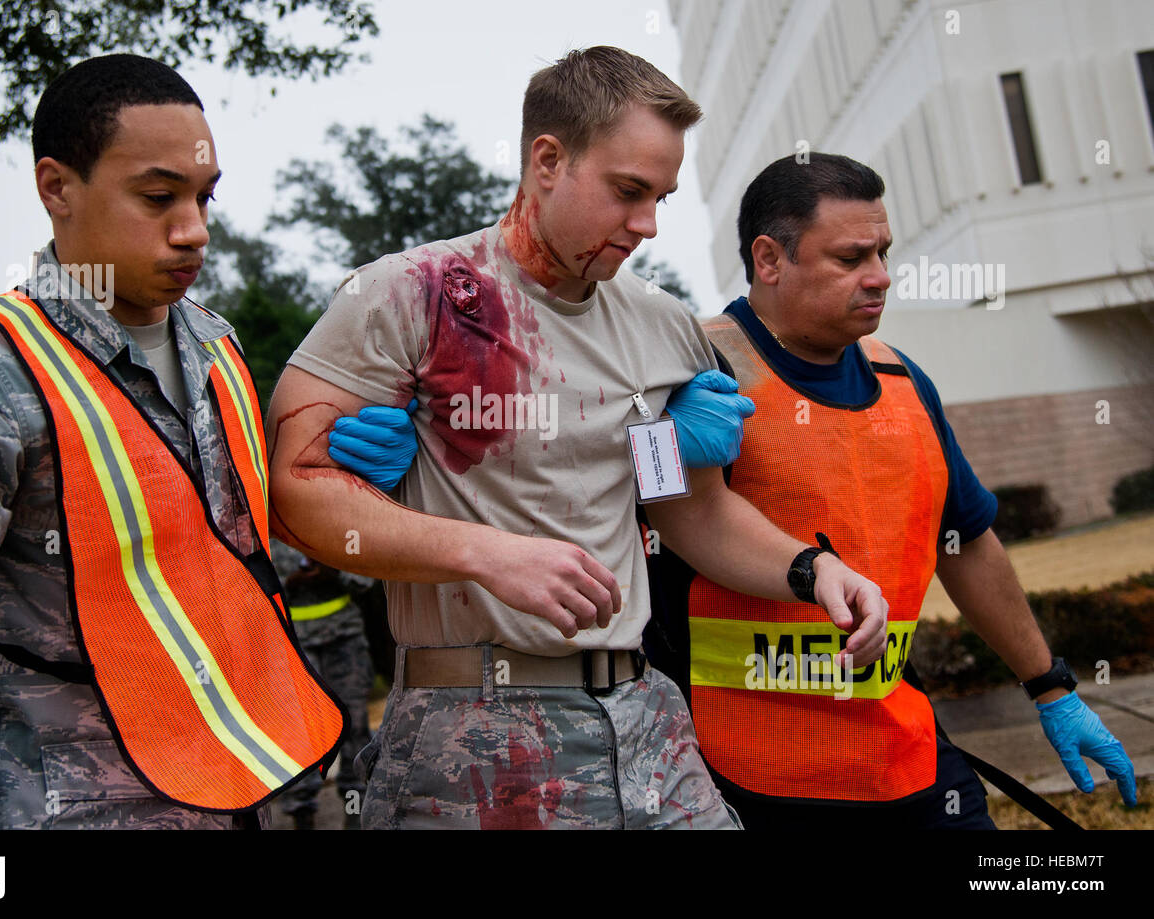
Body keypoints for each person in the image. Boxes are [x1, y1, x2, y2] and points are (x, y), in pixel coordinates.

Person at [268, 47, 891, 830]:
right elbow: (294, 492)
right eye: (628, 191)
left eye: (661, 197)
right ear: (548, 160)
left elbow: (686, 512)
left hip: (645, 720)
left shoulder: (661, 324)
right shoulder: (409, 295)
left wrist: (812, 568)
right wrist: (482, 550)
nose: (648, 225)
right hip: (473, 733)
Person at [0, 53, 397, 829]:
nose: (194, 230)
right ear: (56, 188)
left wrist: (347, 482)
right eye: (158, 196)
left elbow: (219, 560)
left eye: (206, 197)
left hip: (229, 792)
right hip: (50, 808)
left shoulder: (218, 350)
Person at [645, 152, 1139, 829]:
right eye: (851, 258)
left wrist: (1051, 688)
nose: (879, 277)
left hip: (904, 753)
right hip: (750, 773)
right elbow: (647, 513)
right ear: (769, 259)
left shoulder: (904, 381)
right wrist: (655, 444)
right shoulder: (695, 373)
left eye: (883, 252)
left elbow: (965, 542)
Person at [271, 539, 376, 830]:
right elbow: (249, 583)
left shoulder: (334, 528)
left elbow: (366, 579)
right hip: (294, 644)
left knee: (354, 727)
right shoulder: (267, 528)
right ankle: (302, 816)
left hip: (345, 639)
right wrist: (287, 582)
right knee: (303, 733)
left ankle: (356, 814)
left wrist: (336, 573)